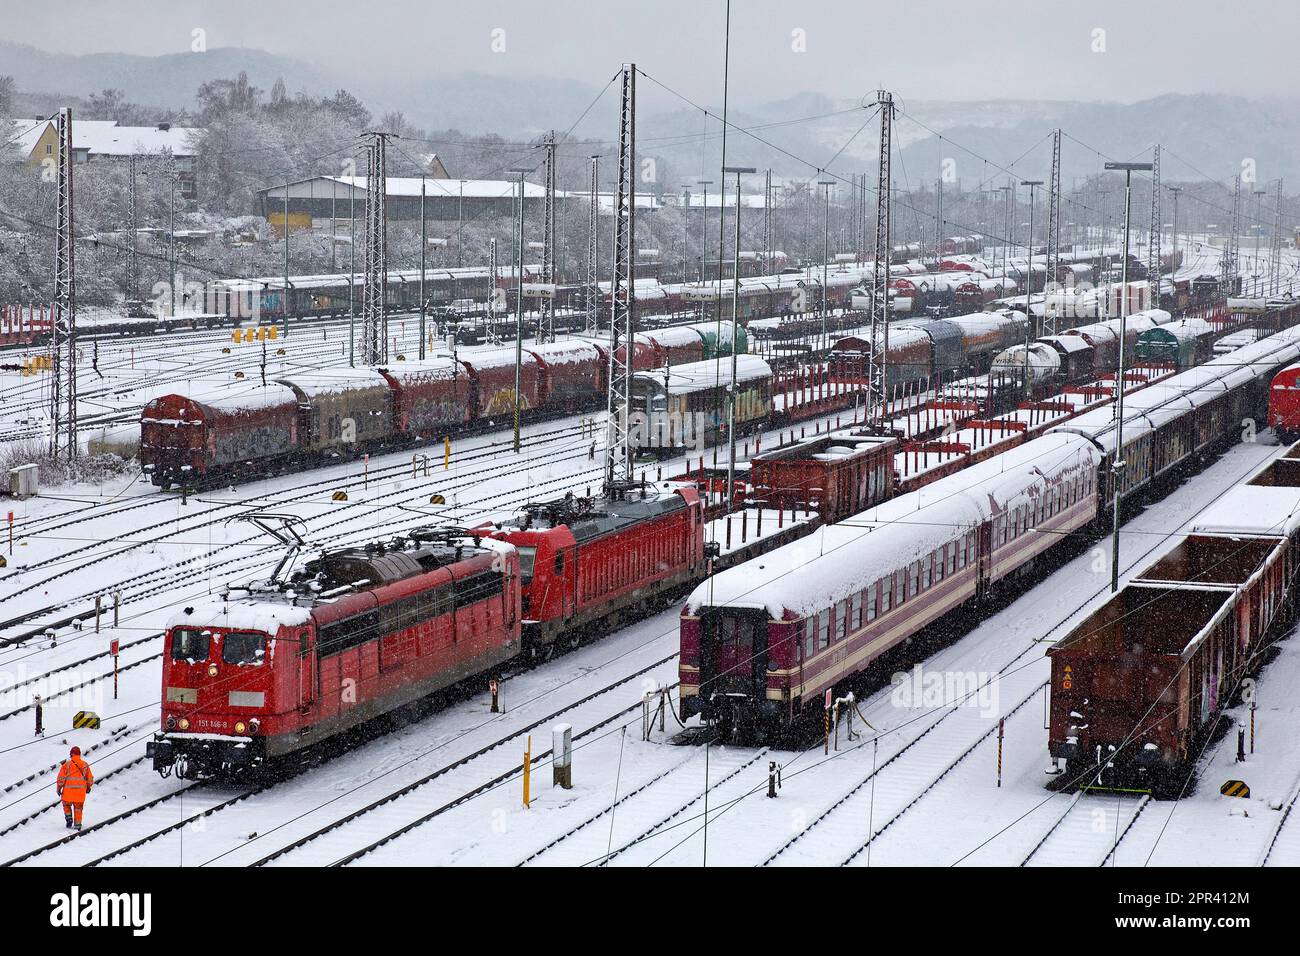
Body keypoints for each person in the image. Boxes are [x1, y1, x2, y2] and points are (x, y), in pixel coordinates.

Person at [56, 746, 93, 830]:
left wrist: (58, 788)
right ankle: (77, 825)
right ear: (79, 754)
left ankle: (69, 818)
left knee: (66, 804)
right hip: (80, 794)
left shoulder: (67, 764)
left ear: (71, 754)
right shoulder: (85, 765)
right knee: (78, 809)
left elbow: (60, 779)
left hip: (67, 793)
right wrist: (88, 787)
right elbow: (90, 779)